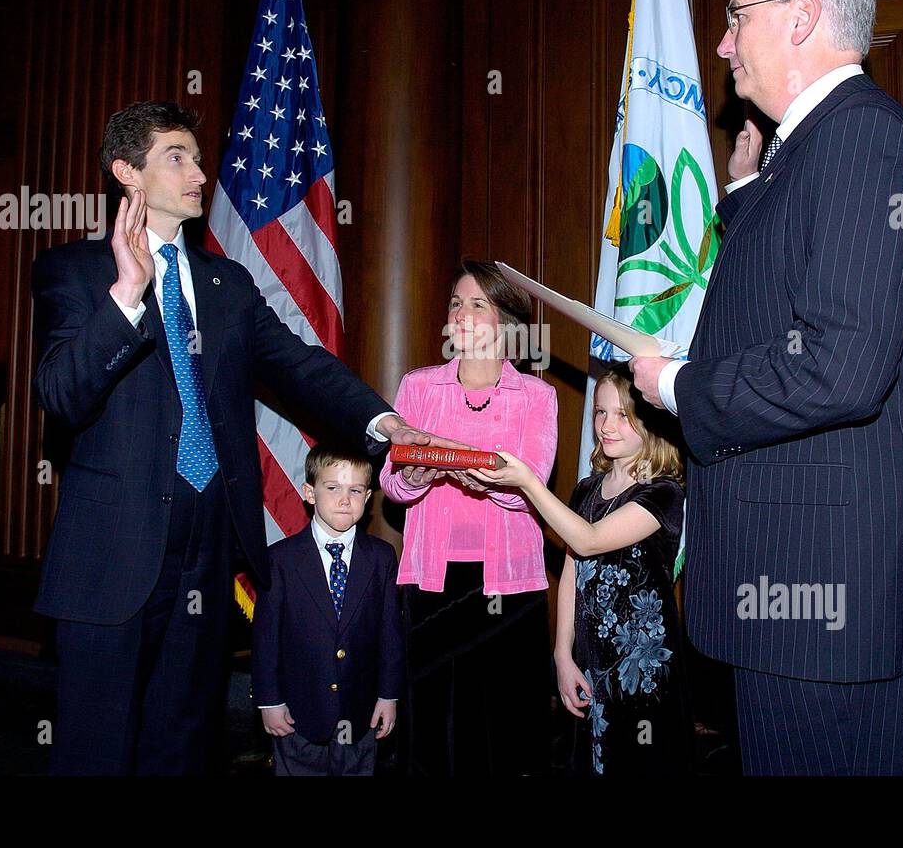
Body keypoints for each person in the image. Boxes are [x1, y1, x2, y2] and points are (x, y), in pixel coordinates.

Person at [628, 0, 903, 775]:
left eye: (735, 18)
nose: (722, 43)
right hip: (806, 583)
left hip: (833, 591)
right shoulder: (817, 149)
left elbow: (841, 368)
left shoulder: (863, 142)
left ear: (802, 18)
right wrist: (746, 194)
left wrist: (678, 383)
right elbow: (776, 301)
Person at [31, 100, 433, 775]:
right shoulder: (72, 271)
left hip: (208, 560)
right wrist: (126, 295)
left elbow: (300, 365)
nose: (197, 171)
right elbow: (62, 394)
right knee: (92, 754)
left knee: (182, 749)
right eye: (175, 157)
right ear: (127, 172)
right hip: (109, 564)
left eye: (196, 154)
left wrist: (382, 422)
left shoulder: (228, 283)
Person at [379, 259, 558, 776]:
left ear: (507, 321)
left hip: (510, 582)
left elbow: (530, 490)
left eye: (477, 304)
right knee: (432, 731)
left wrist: (463, 462)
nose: (461, 313)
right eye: (456, 302)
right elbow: (392, 481)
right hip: (432, 581)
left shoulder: (537, 397)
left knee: (505, 732)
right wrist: (413, 478)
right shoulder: (417, 387)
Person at [470, 365, 692, 775]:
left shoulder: (664, 492)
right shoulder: (588, 488)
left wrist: (527, 482)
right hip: (591, 661)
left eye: (622, 415)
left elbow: (589, 538)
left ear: (651, 420)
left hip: (643, 672)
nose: (607, 425)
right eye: (599, 412)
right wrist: (561, 653)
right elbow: (574, 561)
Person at [252, 445, 404, 776]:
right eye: (332, 487)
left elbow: (391, 635)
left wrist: (388, 696)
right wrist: (269, 701)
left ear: (367, 498)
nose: (344, 499)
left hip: (360, 714)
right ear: (309, 492)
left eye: (356, 490)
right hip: (297, 715)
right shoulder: (280, 560)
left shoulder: (381, 558)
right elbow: (266, 638)